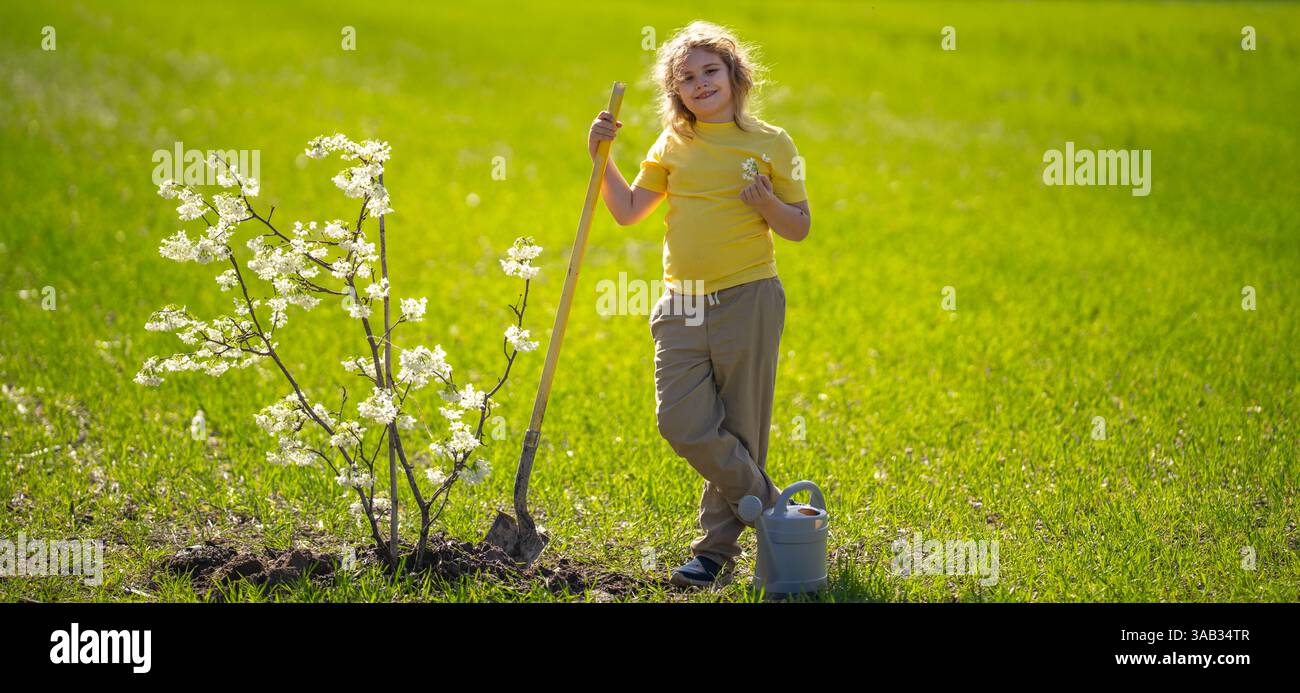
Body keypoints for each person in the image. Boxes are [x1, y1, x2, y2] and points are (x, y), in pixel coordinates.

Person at [587, 20, 812, 587]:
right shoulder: (673, 144)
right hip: (680, 302)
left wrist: (767, 206)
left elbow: (800, 226)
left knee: (741, 427)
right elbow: (628, 209)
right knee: (681, 422)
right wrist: (601, 158)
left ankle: (712, 555)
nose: (700, 83)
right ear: (676, 93)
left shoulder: (771, 142)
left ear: (736, 75)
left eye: (710, 70)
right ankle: (769, 501)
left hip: (749, 297)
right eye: (686, 78)